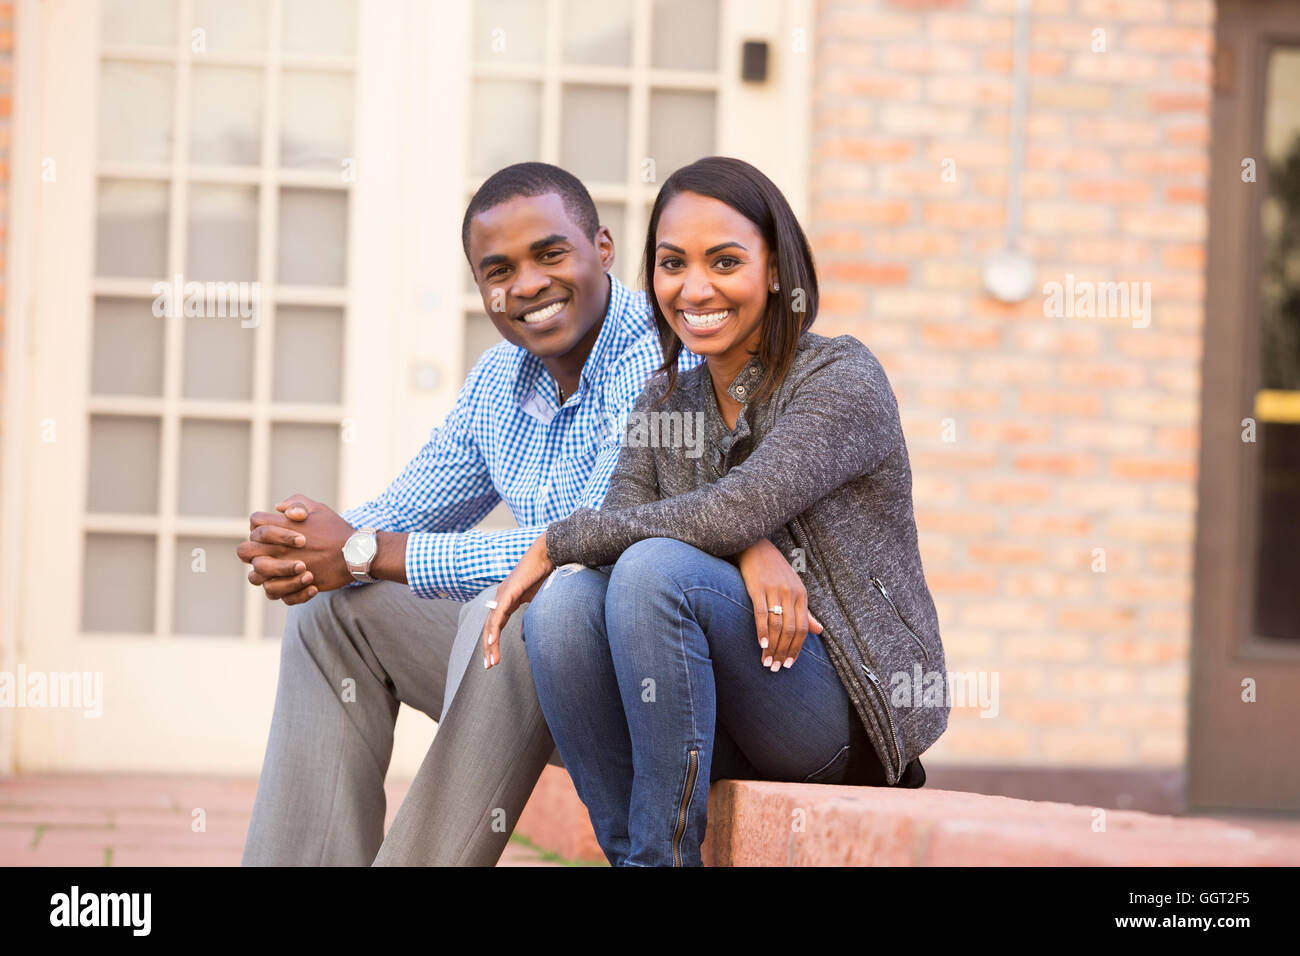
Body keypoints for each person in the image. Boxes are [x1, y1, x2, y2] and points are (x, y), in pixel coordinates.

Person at [482, 156, 947, 867]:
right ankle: (634, 857)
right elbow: (633, 542)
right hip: (707, 714)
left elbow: (734, 507)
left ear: (773, 269)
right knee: (566, 605)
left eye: (724, 261)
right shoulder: (666, 404)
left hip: (841, 718)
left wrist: (558, 539)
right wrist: (738, 548)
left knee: (653, 569)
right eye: (672, 264)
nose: (694, 288)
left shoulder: (842, 379)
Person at [236, 161, 699, 866]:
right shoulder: (498, 381)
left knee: (531, 598)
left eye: (550, 254)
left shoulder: (659, 359)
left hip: (638, 685)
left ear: (602, 248)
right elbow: (406, 509)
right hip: (528, 689)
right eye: (498, 270)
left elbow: (581, 544)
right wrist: (307, 545)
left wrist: (360, 549)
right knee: (335, 608)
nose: (528, 286)